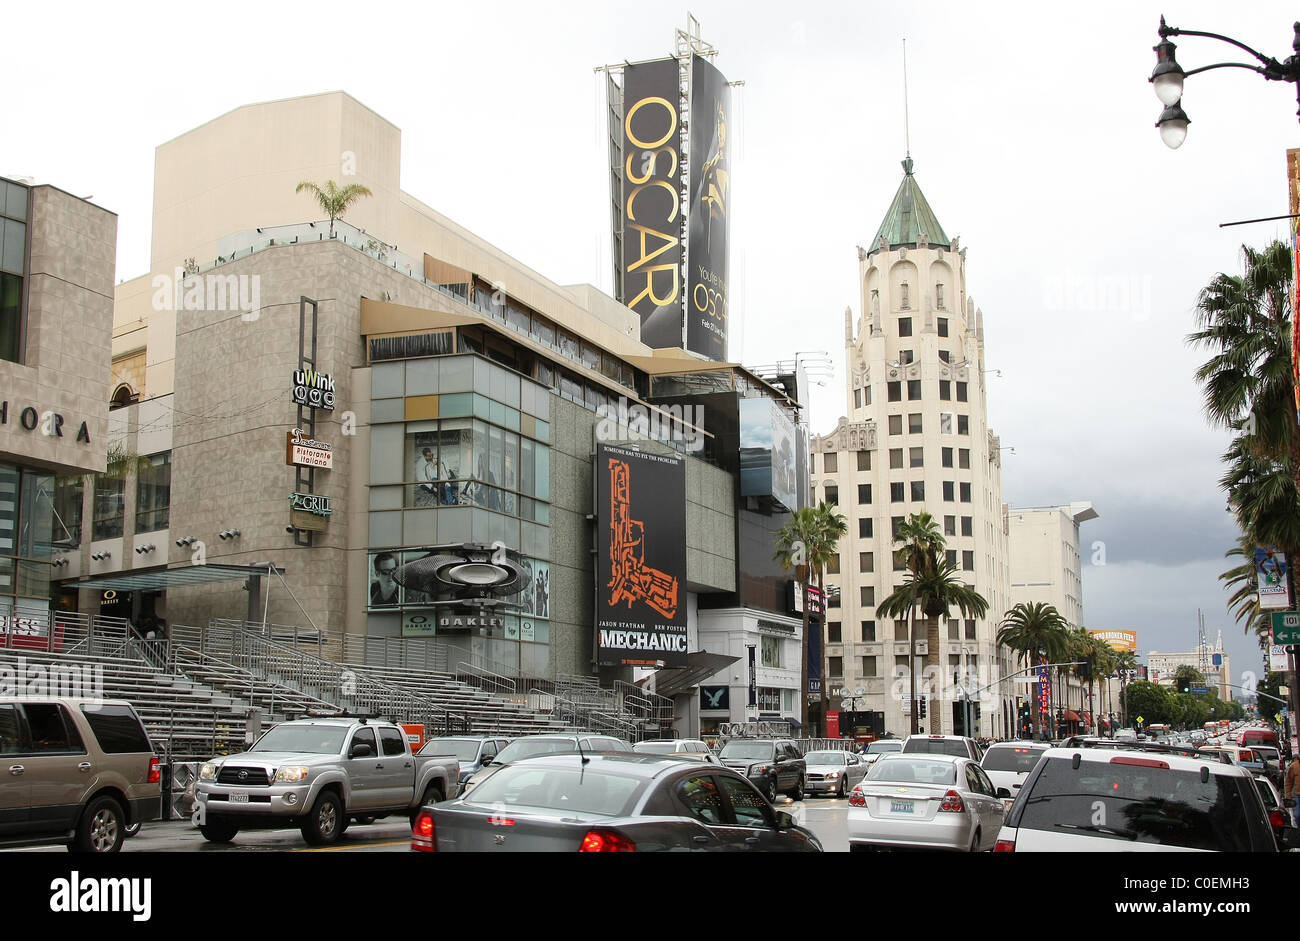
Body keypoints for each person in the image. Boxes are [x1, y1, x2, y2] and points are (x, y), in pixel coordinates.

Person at [1286, 754, 1300, 830]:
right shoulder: (1294, 766)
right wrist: (1288, 795)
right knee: (1297, 815)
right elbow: (1288, 782)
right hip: (1297, 795)